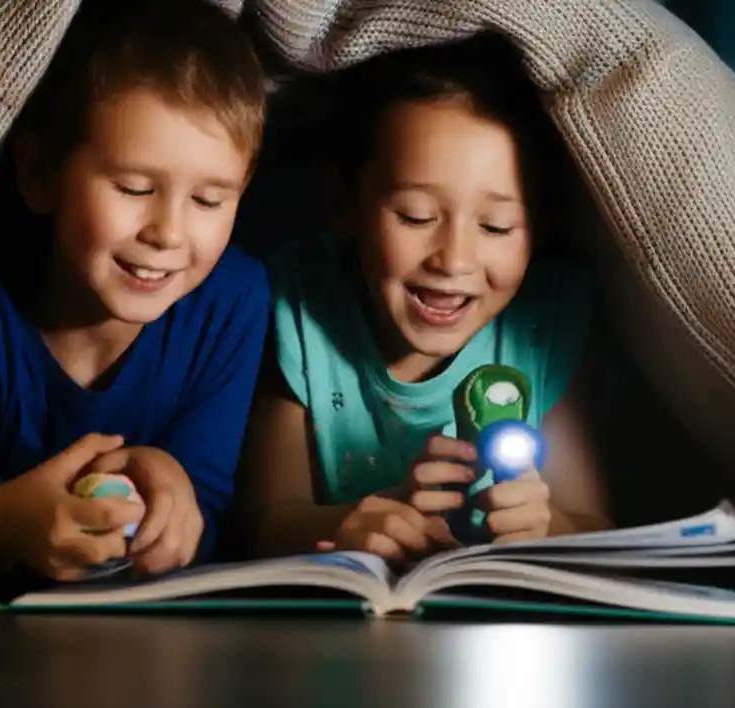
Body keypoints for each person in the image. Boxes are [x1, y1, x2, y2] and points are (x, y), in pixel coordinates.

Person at [0, 0, 270, 581]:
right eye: (133, 187)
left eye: (208, 201)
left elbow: (206, 525)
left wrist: (168, 483)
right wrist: (4, 524)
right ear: (40, 174)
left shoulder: (231, 302)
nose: (167, 232)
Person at [239, 35, 611, 563]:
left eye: (496, 226)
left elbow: (595, 524)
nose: (453, 259)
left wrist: (546, 525)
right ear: (345, 205)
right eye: (415, 216)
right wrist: (357, 522)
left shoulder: (541, 322)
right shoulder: (302, 307)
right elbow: (263, 521)